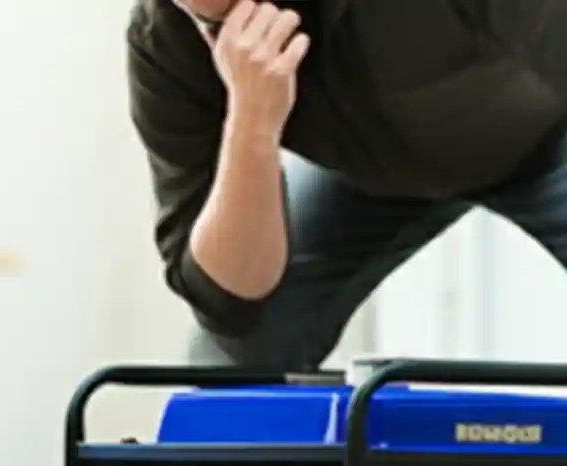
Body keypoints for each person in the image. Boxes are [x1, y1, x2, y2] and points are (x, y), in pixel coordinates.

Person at [128, 0, 567, 369]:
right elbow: (225, 301)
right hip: (371, 173)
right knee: (232, 353)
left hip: (542, 139)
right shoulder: (163, 41)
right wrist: (253, 121)